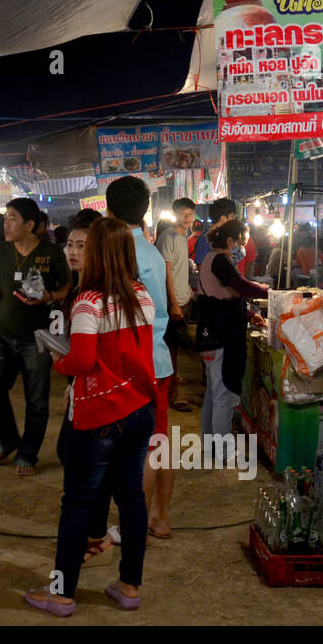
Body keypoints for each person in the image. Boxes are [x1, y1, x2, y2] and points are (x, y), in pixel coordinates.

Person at [23, 217, 157, 617]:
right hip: (139, 409)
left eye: (85, 245)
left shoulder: (89, 301)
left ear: (98, 252)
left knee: (78, 504)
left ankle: (62, 593)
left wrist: (56, 356)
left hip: (99, 416)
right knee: (131, 499)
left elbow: (80, 360)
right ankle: (130, 586)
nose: (75, 251)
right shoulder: (141, 294)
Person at [0, 197, 70, 477]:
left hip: (40, 336)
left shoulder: (50, 253)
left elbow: (66, 289)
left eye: (12, 218)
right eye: (5, 217)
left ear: (30, 225)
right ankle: (8, 439)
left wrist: (49, 296)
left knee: (36, 399)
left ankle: (28, 452)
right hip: (3, 334)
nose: (6, 223)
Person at [105, 177, 176, 540]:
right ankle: (160, 518)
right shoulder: (151, 251)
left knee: (140, 448)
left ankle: (135, 521)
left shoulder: (117, 253)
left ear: (108, 210)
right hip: (159, 359)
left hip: (133, 364)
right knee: (160, 441)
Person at [195, 220, 268, 450]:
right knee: (224, 395)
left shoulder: (212, 260)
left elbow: (223, 297)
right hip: (220, 335)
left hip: (211, 334)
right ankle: (223, 451)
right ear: (231, 241)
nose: (243, 247)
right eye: (242, 242)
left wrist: (248, 315)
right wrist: (271, 293)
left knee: (214, 393)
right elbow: (240, 285)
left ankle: (210, 445)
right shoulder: (220, 260)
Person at [55, 207, 101, 470]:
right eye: (70, 244)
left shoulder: (93, 295)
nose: (72, 252)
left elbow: (86, 357)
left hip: (95, 393)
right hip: (82, 387)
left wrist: (63, 366)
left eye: (81, 246)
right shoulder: (77, 288)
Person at [154, 198, 197, 413]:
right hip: (173, 302)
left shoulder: (184, 236)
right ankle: (172, 394)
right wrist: (173, 304)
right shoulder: (168, 236)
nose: (188, 219)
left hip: (183, 297)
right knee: (170, 348)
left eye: (190, 214)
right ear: (176, 214)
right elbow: (166, 272)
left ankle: (172, 382)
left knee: (176, 347)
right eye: (184, 214)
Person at [192, 198, 236, 268]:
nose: (234, 221)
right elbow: (201, 267)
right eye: (232, 217)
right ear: (223, 218)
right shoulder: (204, 240)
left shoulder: (226, 237)